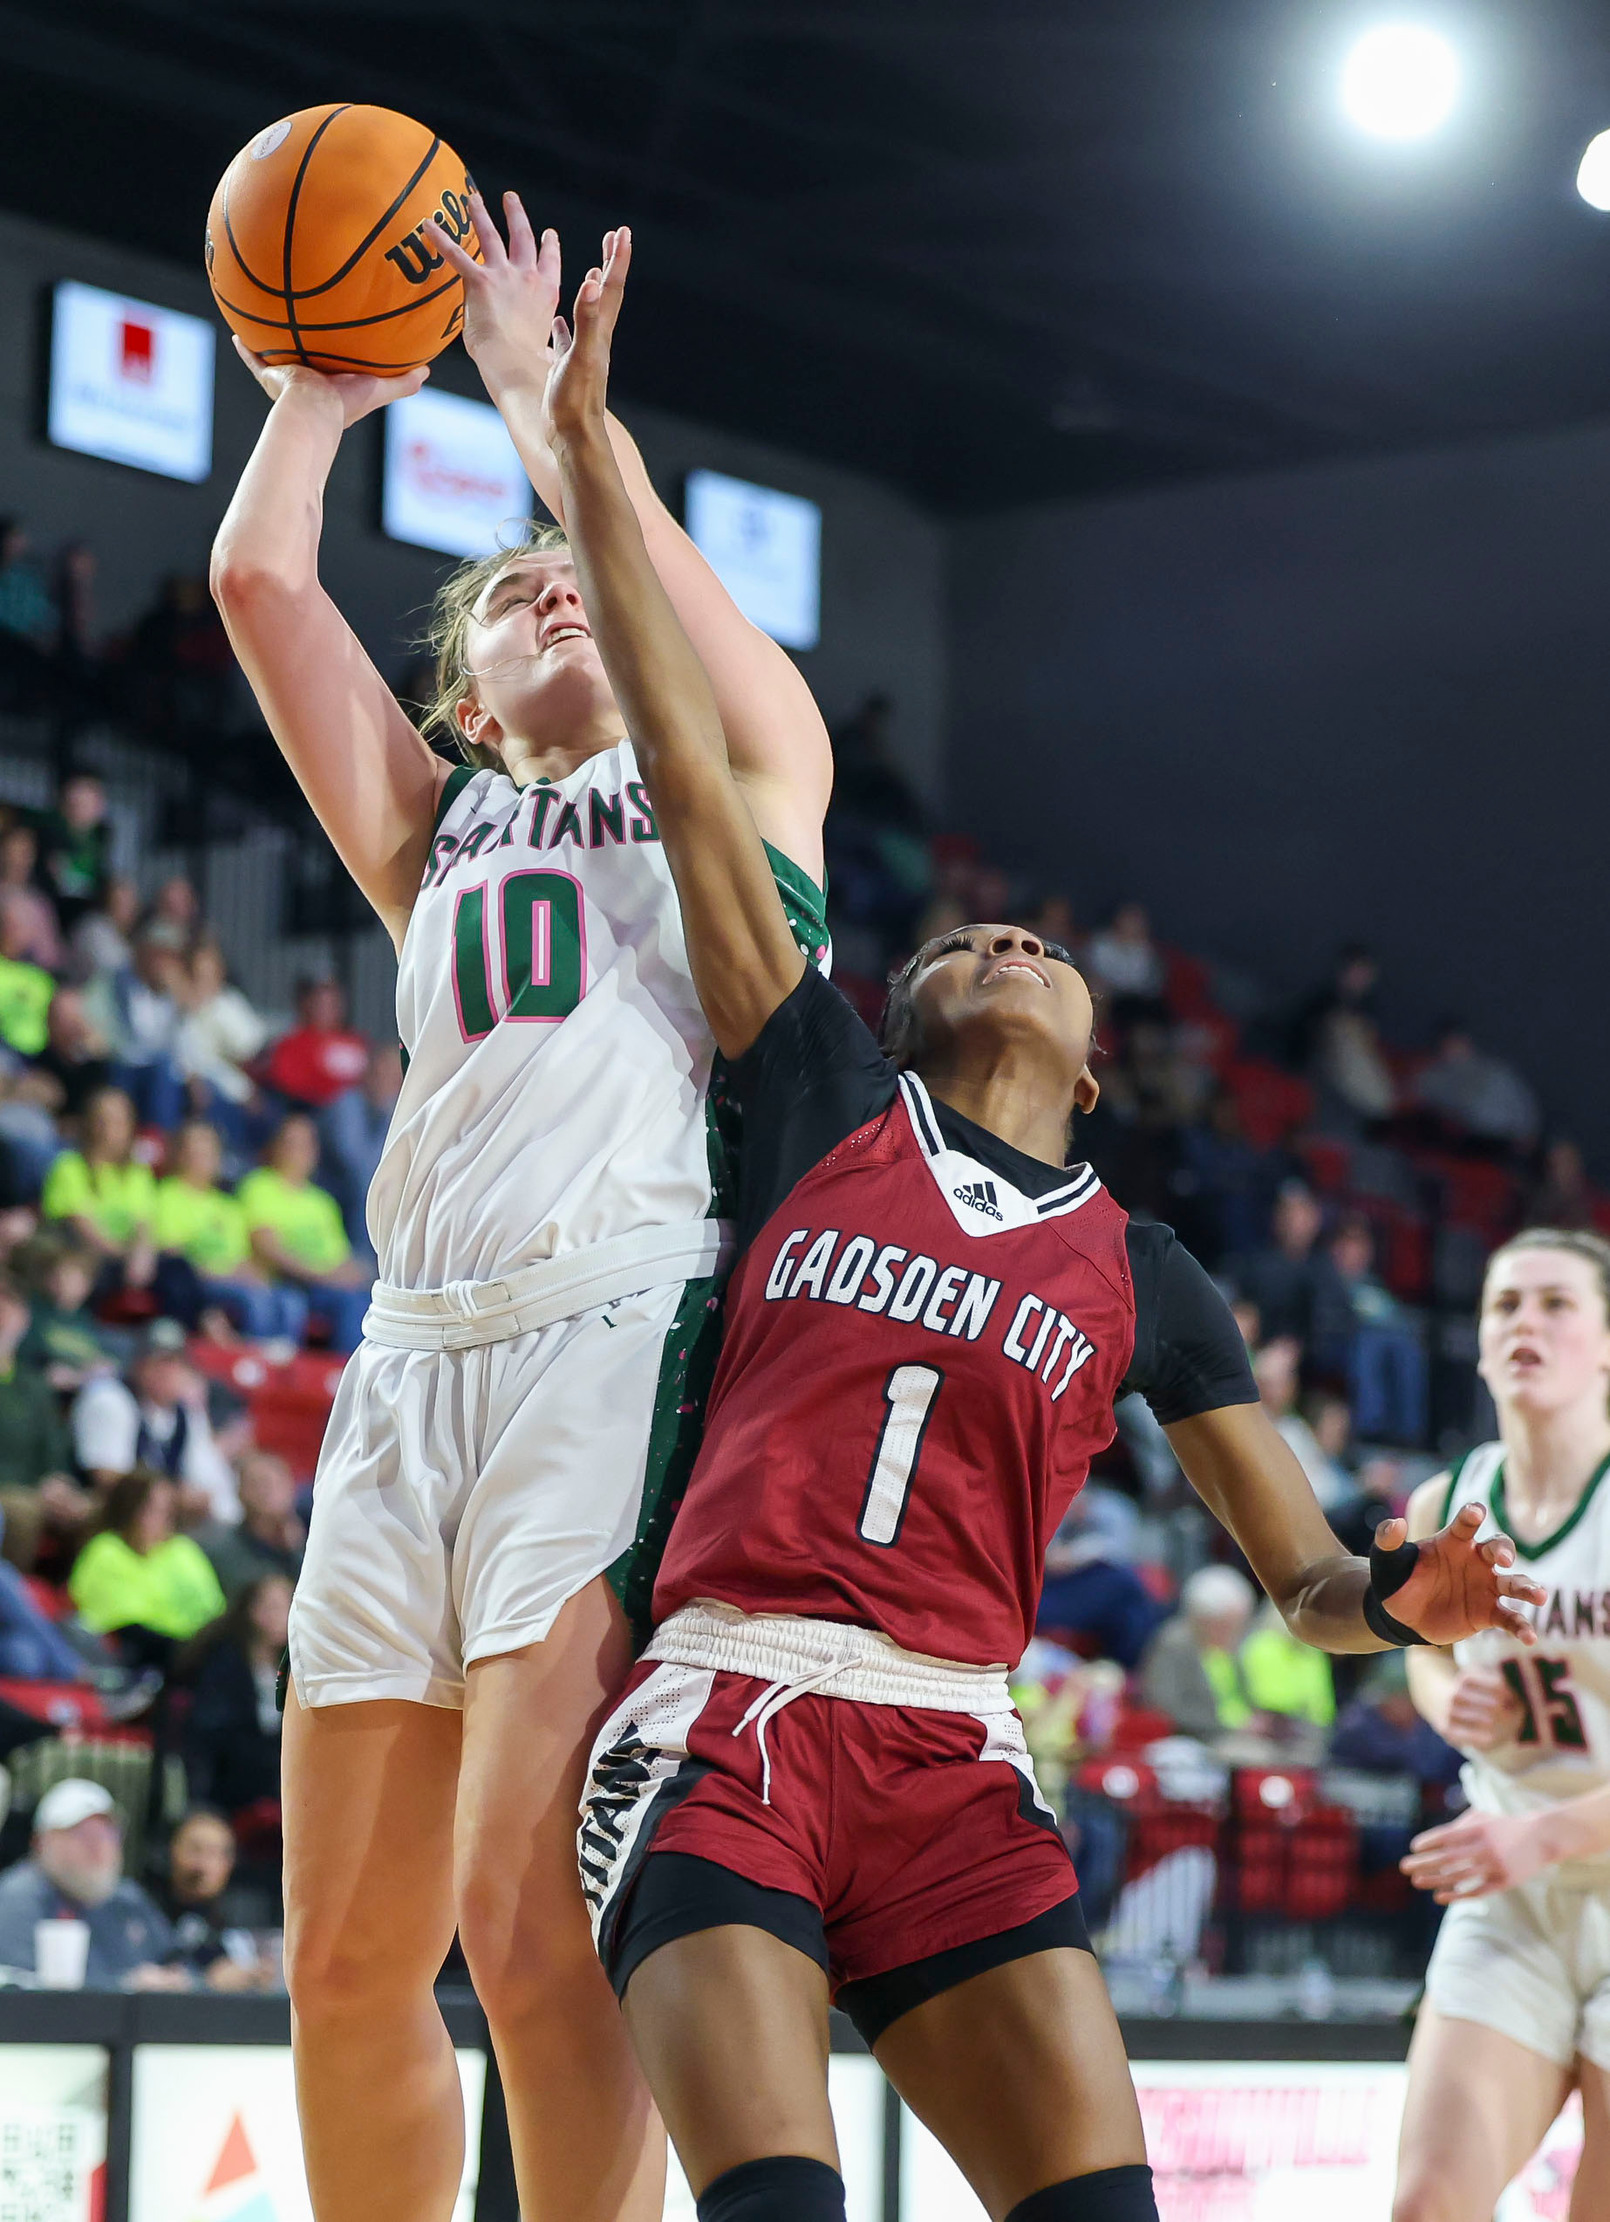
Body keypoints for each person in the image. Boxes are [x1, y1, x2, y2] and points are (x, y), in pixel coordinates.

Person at [544, 233, 1539, 2222]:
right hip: (727, 1702)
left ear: (1094, 1066)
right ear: (907, 1009)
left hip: (953, 1756)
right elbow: (685, 768)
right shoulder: (824, 1093)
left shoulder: (1147, 1272)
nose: (1006, 935)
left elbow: (1300, 1586)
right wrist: (580, 448)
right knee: (774, 2206)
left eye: (1038, 941)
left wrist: (1394, 1597)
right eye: (968, 937)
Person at [210, 187, 832, 2222]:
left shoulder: (744, 777)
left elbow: (655, 595)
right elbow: (253, 579)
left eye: (578, 580)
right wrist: (318, 387)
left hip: (617, 1332)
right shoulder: (438, 824)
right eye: (513, 594)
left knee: (523, 1914)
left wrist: (549, 415)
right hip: (408, 1372)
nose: (557, 593)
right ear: (464, 692)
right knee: (340, 1957)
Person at [1393, 1229, 1610, 2222]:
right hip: (1508, 1885)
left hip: (1559, 1847)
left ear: (1604, 1340)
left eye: (1555, 1302)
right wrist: (1450, 1703)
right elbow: (1420, 1648)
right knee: (1426, 2203)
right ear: (1477, 1345)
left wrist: (1543, 1834)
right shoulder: (1445, 1499)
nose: (1525, 1321)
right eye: (1503, 1305)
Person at [0, 1778, 184, 1989]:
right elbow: (18, 1987)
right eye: (82, 1835)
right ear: (41, 1842)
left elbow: (179, 1964)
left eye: (108, 1834)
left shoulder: (127, 1898)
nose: (98, 1847)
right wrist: (125, 1986)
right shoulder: (17, 1898)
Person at [71, 1320, 242, 1524]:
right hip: (110, 1512)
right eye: (158, 1362)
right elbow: (108, 1479)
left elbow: (210, 1481)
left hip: (163, 1515)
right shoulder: (110, 1398)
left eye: (175, 1363)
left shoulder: (186, 1414)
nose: (168, 1372)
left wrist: (200, 1498)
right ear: (138, 1364)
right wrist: (175, 1496)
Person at [154, 1118, 307, 1343]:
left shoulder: (228, 1206)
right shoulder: (167, 1196)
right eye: (196, 1152)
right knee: (256, 1301)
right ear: (180, 1154)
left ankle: (284, 1362)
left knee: (292, 1301)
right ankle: (254, 1362)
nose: (203, 1159)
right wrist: (225, 1274)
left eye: (209, 1152)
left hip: (233, 1279)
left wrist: (254, 1277)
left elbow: (244, 1257)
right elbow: (174, 1258)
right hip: (202, 1282)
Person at [235, 1116, 367, 1352]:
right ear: (275, 1146)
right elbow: (266, 1246)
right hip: (286, 1281)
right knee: (335, 1302)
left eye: (306, 1145)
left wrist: (353, 1272)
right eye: (291, 1143)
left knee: (365, 1300)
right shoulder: (259, 1186)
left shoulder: (323, 1202)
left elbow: (341, 1257)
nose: (299, 1152)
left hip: (324, 1286)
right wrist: (318, 1274)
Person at [68, 1468, 228, 1657]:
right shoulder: (105, 1550)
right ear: (129, 1510)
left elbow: (213, 1609)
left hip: (192, 1648)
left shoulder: (183, 1550)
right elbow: (122, 1623)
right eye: (153, 1510)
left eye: (168, 1511)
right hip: (136, 1651)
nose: (163, 1520)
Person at [178, 1573, 292, 1818]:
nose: (285, 1616)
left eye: (288, 1607)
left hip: (275, 1778)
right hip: (230, 1779)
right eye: (275, 1607)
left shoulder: (293, 1667)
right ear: (253, 1612)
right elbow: (214, 1729)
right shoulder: (225, 1662)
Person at [0, 1267, 83, 1575]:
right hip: (12, 1494)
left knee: (95, 1512)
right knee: (22, 1512)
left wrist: (57, 1482)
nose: (3, 1317)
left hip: (35, 1490)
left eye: (10, 1308)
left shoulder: (34, 1384)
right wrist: (35, 1491)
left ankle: (76, 1610)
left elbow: (54, 1445)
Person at [40, 1085, 157, 1298]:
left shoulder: (138, 1173)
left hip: (127, 1261)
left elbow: (143, 1224)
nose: (109, 1129)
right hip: (87, 1256)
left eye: (119, 1121)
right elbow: (79, 1225)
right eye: (103, 1120)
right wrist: (122, 1256)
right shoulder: (69, 1166)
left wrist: (141, 1256)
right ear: (89, 1123)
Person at [154, 1806, 270, 1990]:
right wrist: (206, 1982)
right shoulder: (144, 1912)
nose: (202, 1866)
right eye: (195, 1850)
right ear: (172, 1851)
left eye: (214, 1853)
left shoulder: (245, 1923)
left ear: (229, 1863)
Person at [319, 1042, 403, 1249]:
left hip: (371, 1185)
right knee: (369, 1192)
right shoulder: (345, 1103)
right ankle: (365, 1264)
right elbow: (354, 1159)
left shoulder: (395, 1109)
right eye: (380, 1072)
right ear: (367, 1074)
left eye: (393, 1076)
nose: (385, 1081)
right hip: (335, 1186)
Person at [203, 1449, 305, 1598]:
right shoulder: (222, 1552)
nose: (268, 1491)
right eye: (258, 1483)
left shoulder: (305, 1543)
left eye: (277, 1482)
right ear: (240, 1493)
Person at [262, 978, 370, 1111]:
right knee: (348, 1102)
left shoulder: (355, 1041)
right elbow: (291, 1084)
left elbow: (370, 1079)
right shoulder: (294, 1042)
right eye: (321, 1003)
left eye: (333, 1003)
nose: (327, 1009)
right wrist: (335, 1087)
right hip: (316, 1112)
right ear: (307, 1004)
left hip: (365, 1108)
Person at [0, 822, 63, 972]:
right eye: (14, 848)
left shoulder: (41, 902)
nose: (20, 856)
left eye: (27, 850)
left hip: (35, 976)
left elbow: (52, 956)